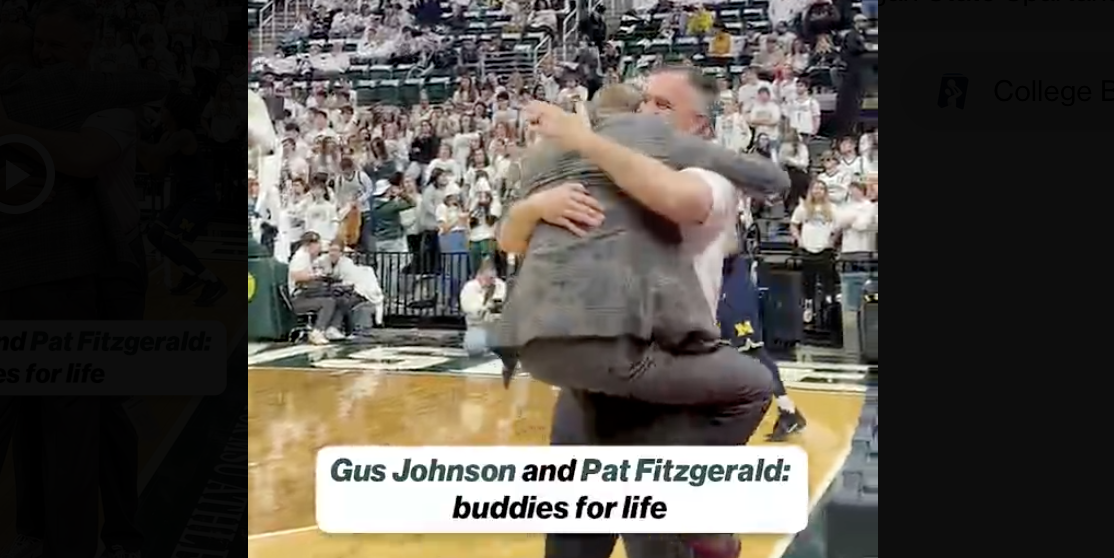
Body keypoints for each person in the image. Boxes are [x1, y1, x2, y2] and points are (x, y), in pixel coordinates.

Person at [502, 69, 790, 558]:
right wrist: (534, 207)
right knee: (571, 539)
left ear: (698, 124)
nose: (645, 112)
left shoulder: (706, 176)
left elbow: (674, 198)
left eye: (660, 105)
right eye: (643, 102)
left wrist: (587, 142)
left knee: (654, 543)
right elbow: (510, 239)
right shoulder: (609, 157)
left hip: (661, 371)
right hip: (598, 365)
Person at [138, 94, 229, 306]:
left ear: (174, 113)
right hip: (184, 197)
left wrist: (134, 138)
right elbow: (156, 171)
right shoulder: (167, 137)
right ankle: (190, 272)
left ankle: (212, 281)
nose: (160, 113)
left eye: (164, 110)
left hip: (200, 198)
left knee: (170, 240)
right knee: (155, 235)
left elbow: (156, 152)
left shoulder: (183, 135)